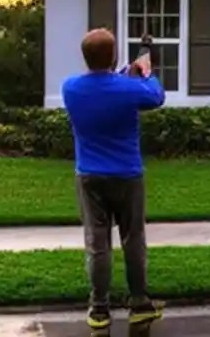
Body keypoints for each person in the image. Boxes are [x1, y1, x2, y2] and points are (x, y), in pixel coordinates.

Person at [63, 28, 167, 331]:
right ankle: (139, 303)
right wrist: (146, 73)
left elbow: (106, 84)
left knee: (98, 244)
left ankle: (99, 308)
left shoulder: (70, 88)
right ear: (113, 55)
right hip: (127, 175)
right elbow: (156, 96)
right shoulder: (129, 89)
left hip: (89, 176)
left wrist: (126, 73)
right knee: (133, 240)